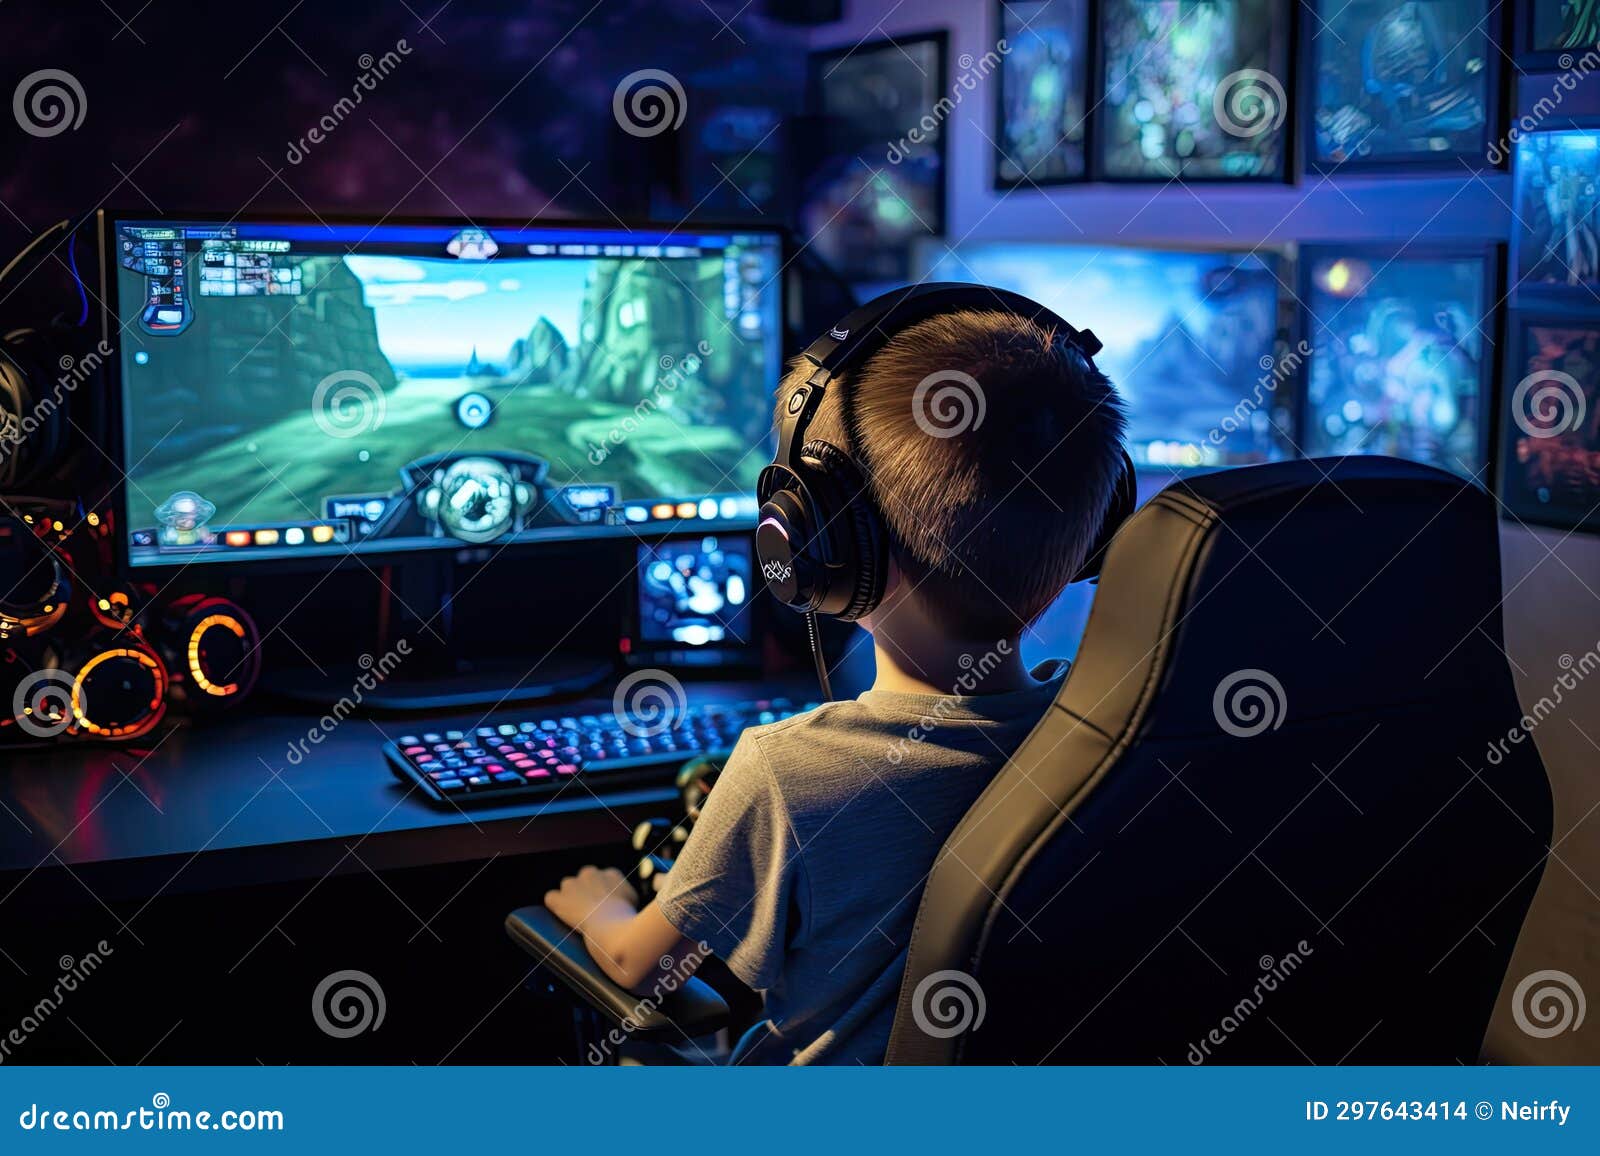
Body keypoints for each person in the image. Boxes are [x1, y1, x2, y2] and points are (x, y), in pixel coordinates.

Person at [544, 307, 1128, 1064]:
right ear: (1092, 534)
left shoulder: (786, 773)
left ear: (815, 540)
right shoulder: (1106, 747)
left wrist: (601, 908)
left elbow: (640, 965)